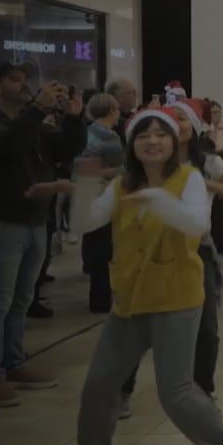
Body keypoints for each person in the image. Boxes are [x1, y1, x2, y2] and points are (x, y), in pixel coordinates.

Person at [61, 108, 223, 445]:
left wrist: (155, 197)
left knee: (175, 392)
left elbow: (197, 225)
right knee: (100, 384)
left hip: (176, 298)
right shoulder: (121, 186)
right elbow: (85, 223)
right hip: (130, 299)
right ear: (132, 144)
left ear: (174, 142)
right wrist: (81, 187)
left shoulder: (190, 179)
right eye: (143, 134)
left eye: (161, 134)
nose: (152, 141)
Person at [119, 99, 223, 416]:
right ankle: (120, 390)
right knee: (136, 324)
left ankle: (203, 390)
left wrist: (206, 185)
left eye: (181, 119)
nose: (175, 125)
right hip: (146, 252)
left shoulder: (208, 162)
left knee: (205, 329)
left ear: (192, 126)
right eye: (167, 121)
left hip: (195, 252)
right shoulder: (147, 161)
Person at [0, 64, 84, 407]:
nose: (24, 85)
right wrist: (36, 110)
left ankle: (14, 363)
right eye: (15, 80)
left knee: (21, 302)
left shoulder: (27, 122)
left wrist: (75, 118)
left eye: (25, 80)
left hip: (35, 221)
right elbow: (6, 145)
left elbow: (65, 149)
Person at [76, 92, 127, 314]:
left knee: (93, 246)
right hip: (103, 195)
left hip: (86, 193)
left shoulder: (86, 132)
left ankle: (97, 296)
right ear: (112, 111)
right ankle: (101, 298)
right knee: (104, 249)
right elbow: (119, 169)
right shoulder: (109, 137)